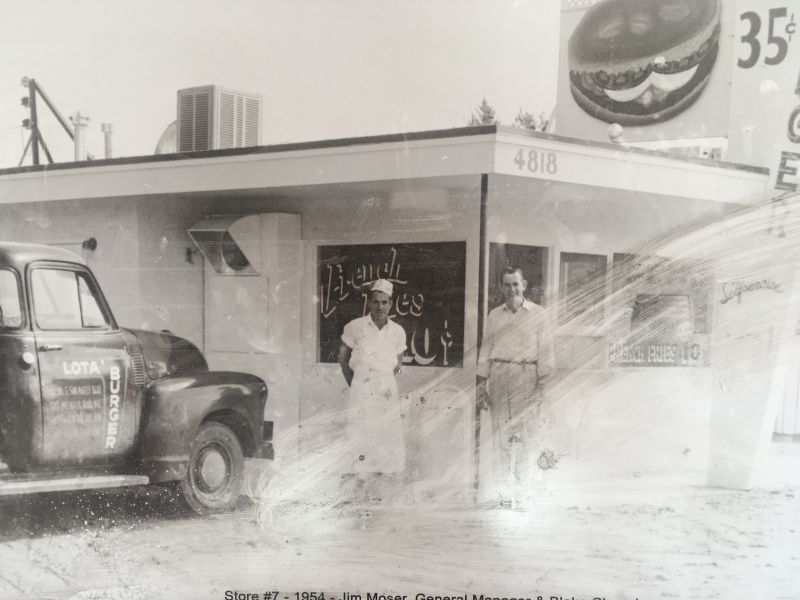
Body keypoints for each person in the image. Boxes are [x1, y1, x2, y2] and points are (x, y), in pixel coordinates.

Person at [476, 267, 556, 506]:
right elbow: (485, 351)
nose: (511, 290)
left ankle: (522, 496)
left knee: (526, 439)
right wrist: (482, 386)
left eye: (515, 284)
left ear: (524, 285)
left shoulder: (539, 314)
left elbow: (546, 353)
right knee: (501, 438)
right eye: (507, 285)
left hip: (526, 377)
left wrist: (542, 388)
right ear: (501, 287)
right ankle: (503, 496)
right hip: (500, 376)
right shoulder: (494, 316)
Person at [338, 278, 407, 500]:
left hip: (386, 389)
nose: (380, 307)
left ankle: (382, 493)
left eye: (384, 302)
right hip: (361, 388)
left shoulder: (398, 332)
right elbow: (342, 358)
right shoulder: (355, 327)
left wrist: (383, 380)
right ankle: (356, 492)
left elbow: (398, 363)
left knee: (386, 437)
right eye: (376, 302)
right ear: (369, 303)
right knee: (359, 434)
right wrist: (357, 382)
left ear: (391, 304)